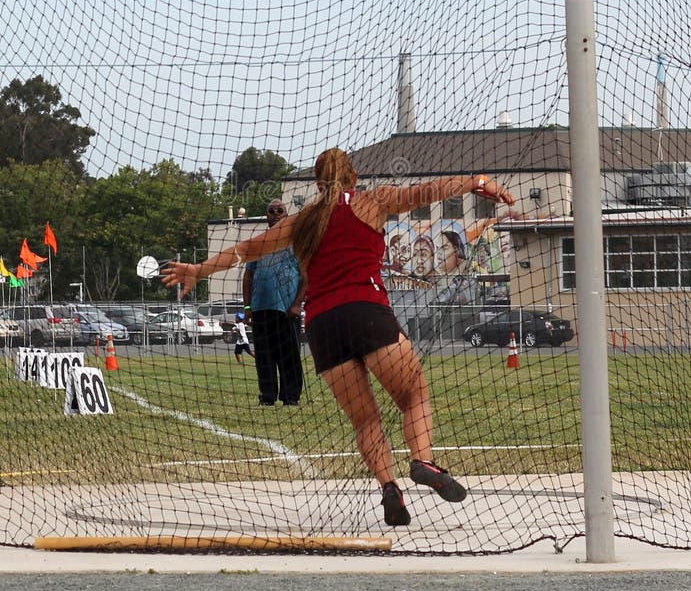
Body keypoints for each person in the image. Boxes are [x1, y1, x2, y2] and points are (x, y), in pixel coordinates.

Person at [161, 149, 514, 526]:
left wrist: (198, 270)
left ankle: (389, 488)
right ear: (354, 177)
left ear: (317, 183)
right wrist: (477, 182)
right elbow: (428, 191)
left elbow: (246, 250)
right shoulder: (373, 201)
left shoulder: (300, 221)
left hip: (322, 326)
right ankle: (423, 461)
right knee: (414, 395)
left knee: (365, 420)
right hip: (366, 312)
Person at [242, 199, 306, 406]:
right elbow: (248, 276)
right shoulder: (258, 242)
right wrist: (247, 307)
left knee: (289, 355)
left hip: (286, 309)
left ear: (286, 215)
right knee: (264, 356)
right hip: (261, 308)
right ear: (267, 215)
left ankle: (291, 396)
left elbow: (307, 276)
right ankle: (267, 396)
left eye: (280, 210)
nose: (276, 214)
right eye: (272, 211)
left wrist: (297, 304)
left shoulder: (296, 242)